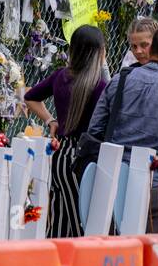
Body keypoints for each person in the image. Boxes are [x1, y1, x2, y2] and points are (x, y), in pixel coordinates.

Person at [86, 25, 158, 232]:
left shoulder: (120, 80)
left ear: (151, 50)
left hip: (111, 178)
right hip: (153, 182)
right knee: (148, 250)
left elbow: (95, 127)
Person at [23, 25, 109, 237]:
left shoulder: (60, 75)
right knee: (82, 221)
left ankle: (54, 264)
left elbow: (30, 97)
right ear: (99, 52)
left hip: (60, 153)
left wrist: (50, 120)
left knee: (60, 219)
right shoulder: (99, 85)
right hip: (82, 157)